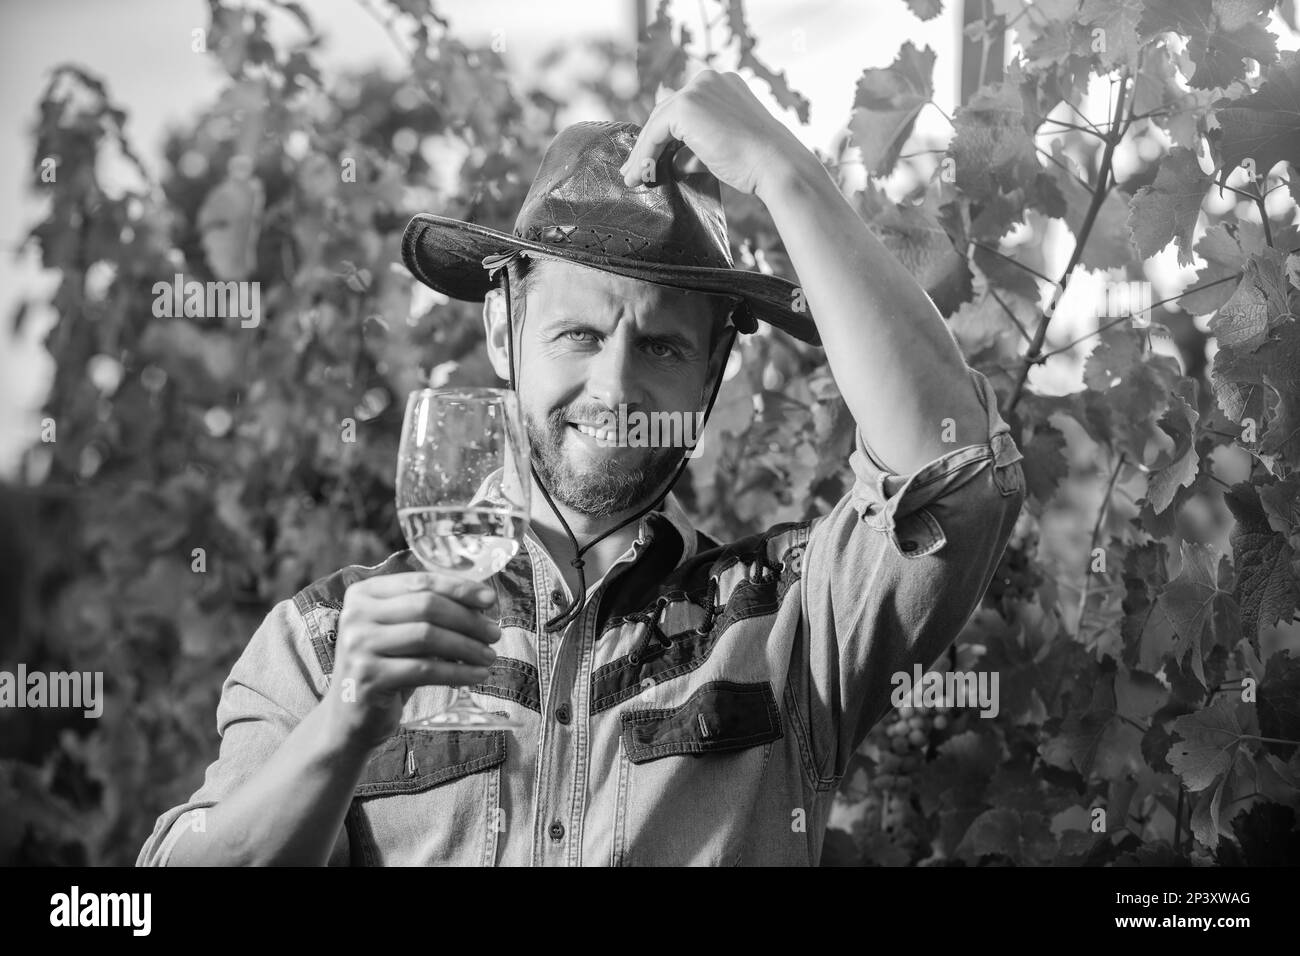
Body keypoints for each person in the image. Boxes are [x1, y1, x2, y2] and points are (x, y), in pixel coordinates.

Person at [138, 70, 1024, 866]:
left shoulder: (794, 619)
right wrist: (339, 730)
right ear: (500, 332)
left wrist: (784, 171)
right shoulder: (327, 641)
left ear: (713, 372)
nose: (617, 386)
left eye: (665, 348)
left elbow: (953, 460)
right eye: (579, 334)